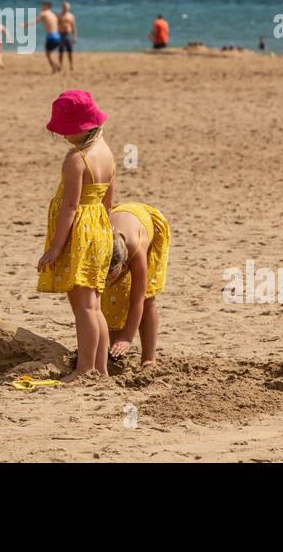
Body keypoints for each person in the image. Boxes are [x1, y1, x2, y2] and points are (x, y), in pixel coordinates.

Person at [37, 90, 115, 379]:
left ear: (79, 129)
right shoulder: (106, 152)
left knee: (83, 307)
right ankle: (101, 369)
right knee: (94, 304)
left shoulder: (76, 159)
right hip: (99, 228)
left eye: (65, 131)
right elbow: (108, 199)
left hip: (79, 233)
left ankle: (84, 369)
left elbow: (70, 206)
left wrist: (56, 247)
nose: (63, 137)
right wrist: (106, 230)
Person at [104, 202, 171, 366]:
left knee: (147, 298)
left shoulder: (136, 251)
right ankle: (116, 353)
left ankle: (148, 358)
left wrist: (127, 338)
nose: (106, 281)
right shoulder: (99, 245)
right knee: (111, 297)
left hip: (146, 223)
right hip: (120, 219)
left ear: (123, 265)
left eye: (110, 276)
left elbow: (138, 300)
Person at [24, 2, 61, 73]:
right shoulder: (53, 14)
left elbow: (35, 20)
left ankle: (55, 67)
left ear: (46, 6)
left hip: (51, 36)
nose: (41, 7)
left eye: (42, 6)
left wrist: (25, 25)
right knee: (50, 53)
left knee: (47, 54)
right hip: (57, 35)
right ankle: (56, 66)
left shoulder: (44, 13)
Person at [57, 1, 77, 71]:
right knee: (61, 51)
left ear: (69, 8)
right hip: (60, 35)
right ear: (62, 7)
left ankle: (71, 65)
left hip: (68, 35)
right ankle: (60, 65)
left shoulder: (71, 16)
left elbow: (73, 26)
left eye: (67, 7)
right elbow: (56, 25)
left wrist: (74, 36)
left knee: (70, 51)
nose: (66, 8)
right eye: (64, 7)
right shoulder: (59, 15)